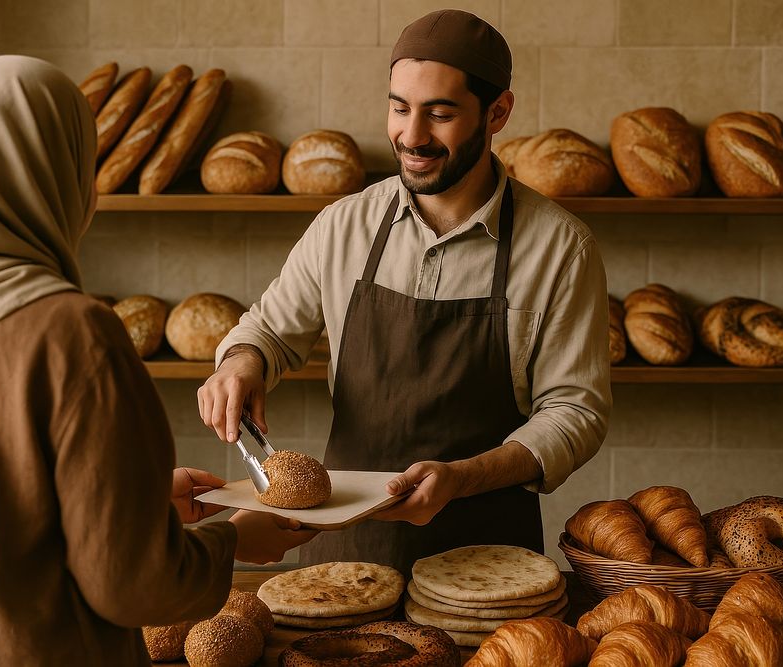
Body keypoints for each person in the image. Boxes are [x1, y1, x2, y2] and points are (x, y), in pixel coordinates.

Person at [0, 55, 314, 665]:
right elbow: (134, 586)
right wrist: (230, 541)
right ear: (51, 177)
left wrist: (135, 500)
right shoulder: (74, 334)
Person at [198, 9, 612, 576]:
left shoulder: (562, 249)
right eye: (399, 108)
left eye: (439, 114)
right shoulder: (344, 226)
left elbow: (575, 410)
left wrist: (464, 475)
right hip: (344, 556)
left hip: (487, 562)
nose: (411, 137)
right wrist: (242, 365)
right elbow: (268, 331)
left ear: (498, 113)